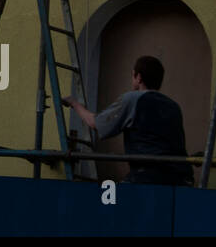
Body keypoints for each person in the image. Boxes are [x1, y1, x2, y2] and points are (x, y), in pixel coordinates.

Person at [63, 55, 193, 186]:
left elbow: (95, 123)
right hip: (181, 178)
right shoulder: (173, 106)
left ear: (139, 77)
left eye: (133, 75)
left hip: (147, 176)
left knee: (111, 201)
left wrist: (74, 103)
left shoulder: (133, 99)